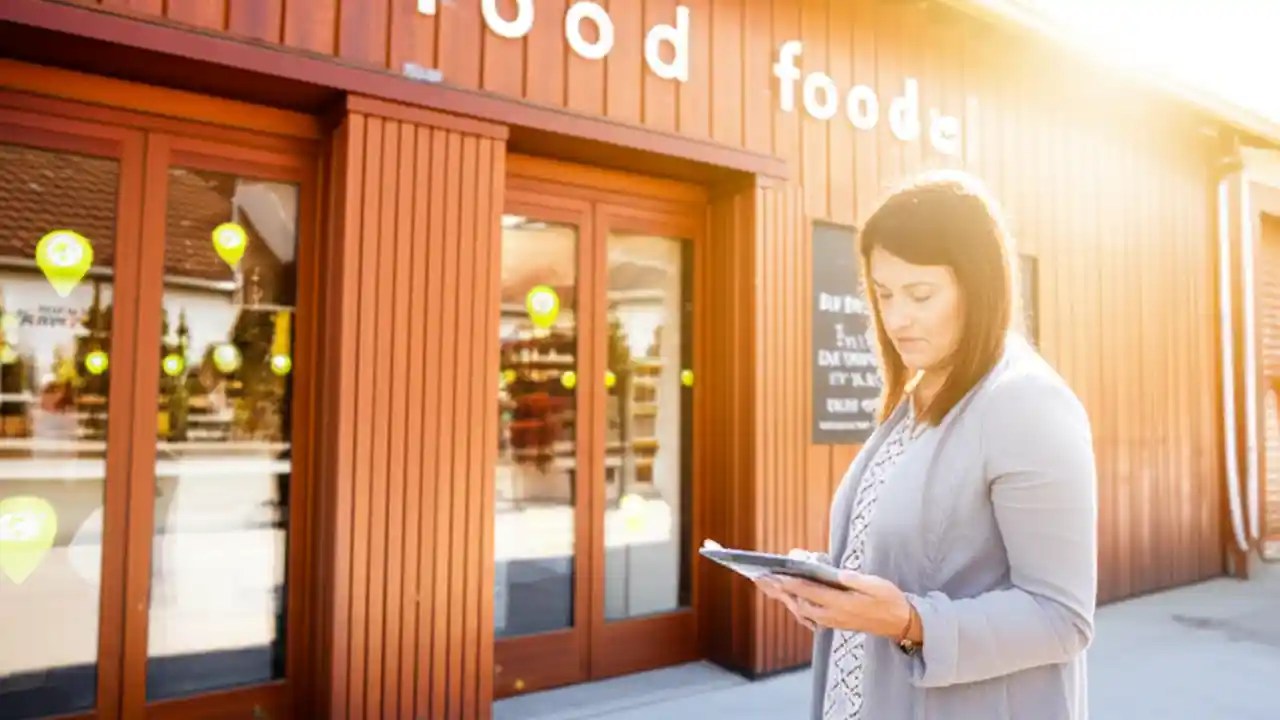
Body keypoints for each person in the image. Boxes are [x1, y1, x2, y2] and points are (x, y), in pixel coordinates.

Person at [755, 170, 1098, 720]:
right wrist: (825, 585)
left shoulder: (1028, 404)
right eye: (883, 293)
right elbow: (912, 561)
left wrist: (909, 622)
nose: (895, 318)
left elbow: (1062, 618)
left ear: (978, 285)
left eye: (920, 294)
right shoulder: (916, 394)